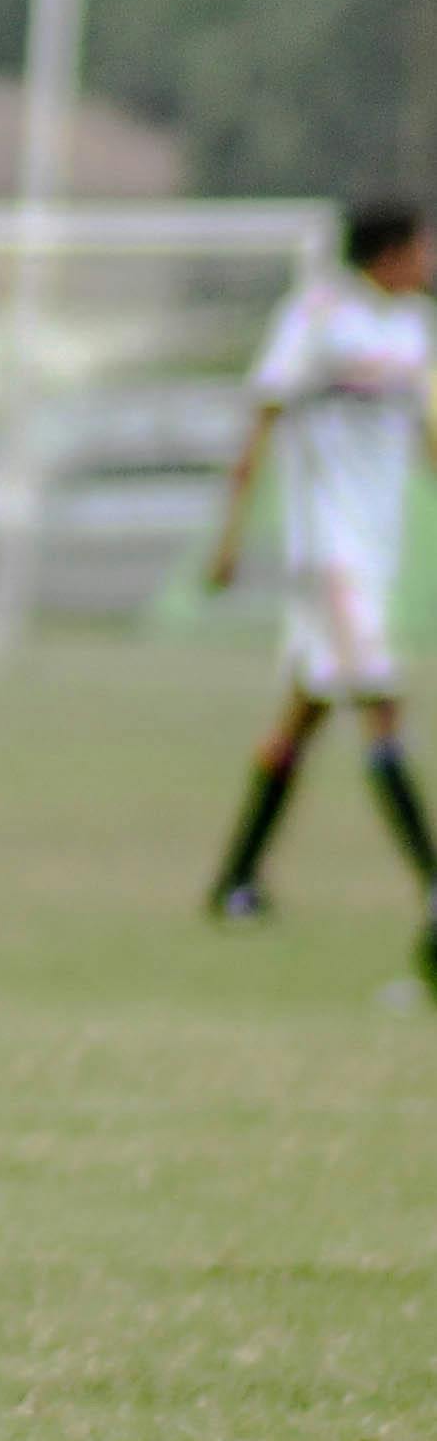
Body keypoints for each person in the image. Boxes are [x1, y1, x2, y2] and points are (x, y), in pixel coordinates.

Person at [200, 197, 437, 973]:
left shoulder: (413, 327)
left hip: (374, 550)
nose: (430, 261)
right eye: (422, 247)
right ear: (388, 252)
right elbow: (262, 415)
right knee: (380, 703)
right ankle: (432, 883)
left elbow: (422, 435)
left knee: (302, 714)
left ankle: (235, 879)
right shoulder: (316, 316)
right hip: (326, 552)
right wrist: (230, 536)